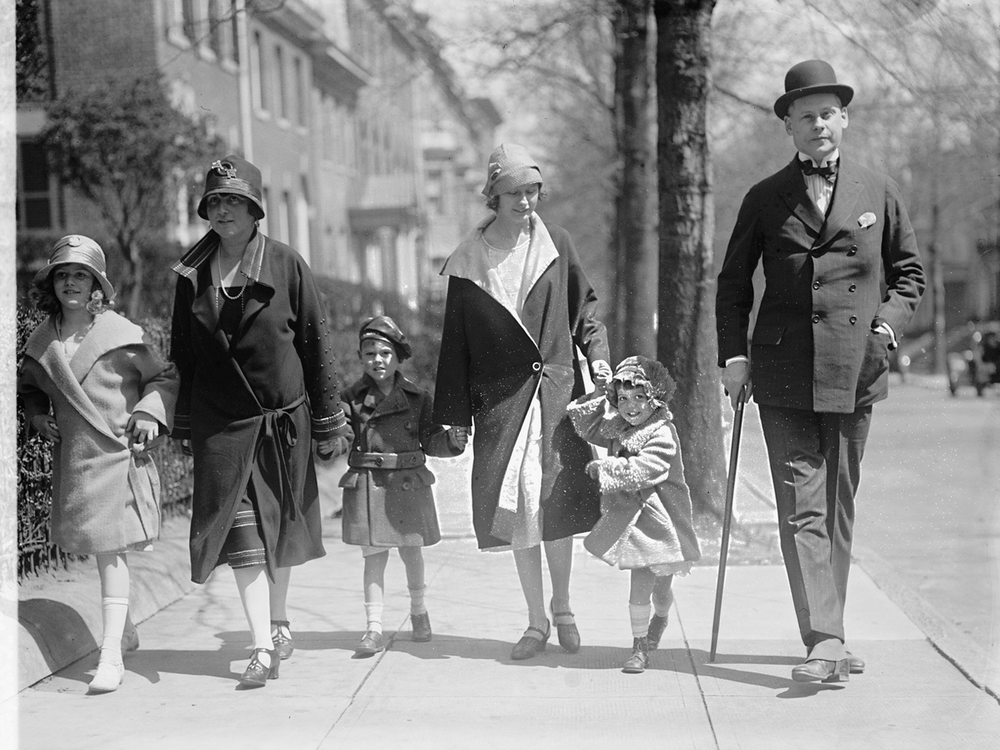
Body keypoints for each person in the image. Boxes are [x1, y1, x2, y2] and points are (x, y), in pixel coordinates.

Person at [715, 60, 926, 683]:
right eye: (804, 116)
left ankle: (829, 633)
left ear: (844, 118)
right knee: (801, 506)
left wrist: (886, 329)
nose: (818, 125)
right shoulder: (764, 197)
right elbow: (732, 287)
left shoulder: (878, 189)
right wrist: (734, 357)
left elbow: (909, 273)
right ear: (788, 127)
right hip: (780, 374)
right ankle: (826, 638)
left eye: (828, 113)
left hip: (856, 368)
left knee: (837, 505)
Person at [169, 155, 352, 689]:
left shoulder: (287, 264)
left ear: (254, 210)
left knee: (279, 530)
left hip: (282, 423)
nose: (224, 211)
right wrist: (181, 427)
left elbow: (316, 347)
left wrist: (328, 422)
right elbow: (183, 353)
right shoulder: (189, 273)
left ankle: (277, 619)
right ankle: (261, 646)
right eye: (215, 202)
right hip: (222, 425)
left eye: (234, 201)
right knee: (241, 536)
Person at [433, 143, 612, 660]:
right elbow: (455, 347)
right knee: (519, 509)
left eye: (532, 190)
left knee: (557, 502)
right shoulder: (469, 262)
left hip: (556, 399)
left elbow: (587, 313)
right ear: (493, 195)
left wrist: (598, 360)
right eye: (514, 192)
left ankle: (563, 607)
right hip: (502, 406)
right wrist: (454, 417)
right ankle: (535, 621)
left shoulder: (557, 243)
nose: (526, 201)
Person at [19, 235, 178, 694]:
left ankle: (110, 656)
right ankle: (124, 630)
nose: (71, 283)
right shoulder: (41, 340)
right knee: (98, 551)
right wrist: (34, 413)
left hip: (117, 455)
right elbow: (29, 383)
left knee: (111, 553)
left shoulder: (121, 334)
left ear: (97, 285)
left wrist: (149, 411)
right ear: (52, 283)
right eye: (63, 274)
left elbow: (164, 378)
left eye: (81, 275)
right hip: (78, 461)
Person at [339, 316, 468, 656]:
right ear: (360, 357)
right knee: (374, 558)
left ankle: (418, 611)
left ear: (397, 357)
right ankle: (373, 628)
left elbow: (430, 440)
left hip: (407, 484)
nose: (377, 360)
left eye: (384, 353)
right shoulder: (351, 399)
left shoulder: (418, 398)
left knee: (412, 554)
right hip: (370, 485)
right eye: (369, 354)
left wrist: (452, 441)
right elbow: (342, 439)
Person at [567, 356, 701, 674]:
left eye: (639, 397)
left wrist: (606, 468)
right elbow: (585, 424)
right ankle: (639, 646)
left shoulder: (662, 433)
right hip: (634, 522)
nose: (630, 406)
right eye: (623, 398)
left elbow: (644, 470)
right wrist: (600, 393)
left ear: (654, 398)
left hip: (661, 522)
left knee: (661, 587)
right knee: (640, 583)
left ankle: (662, 615)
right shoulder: (620, 426)